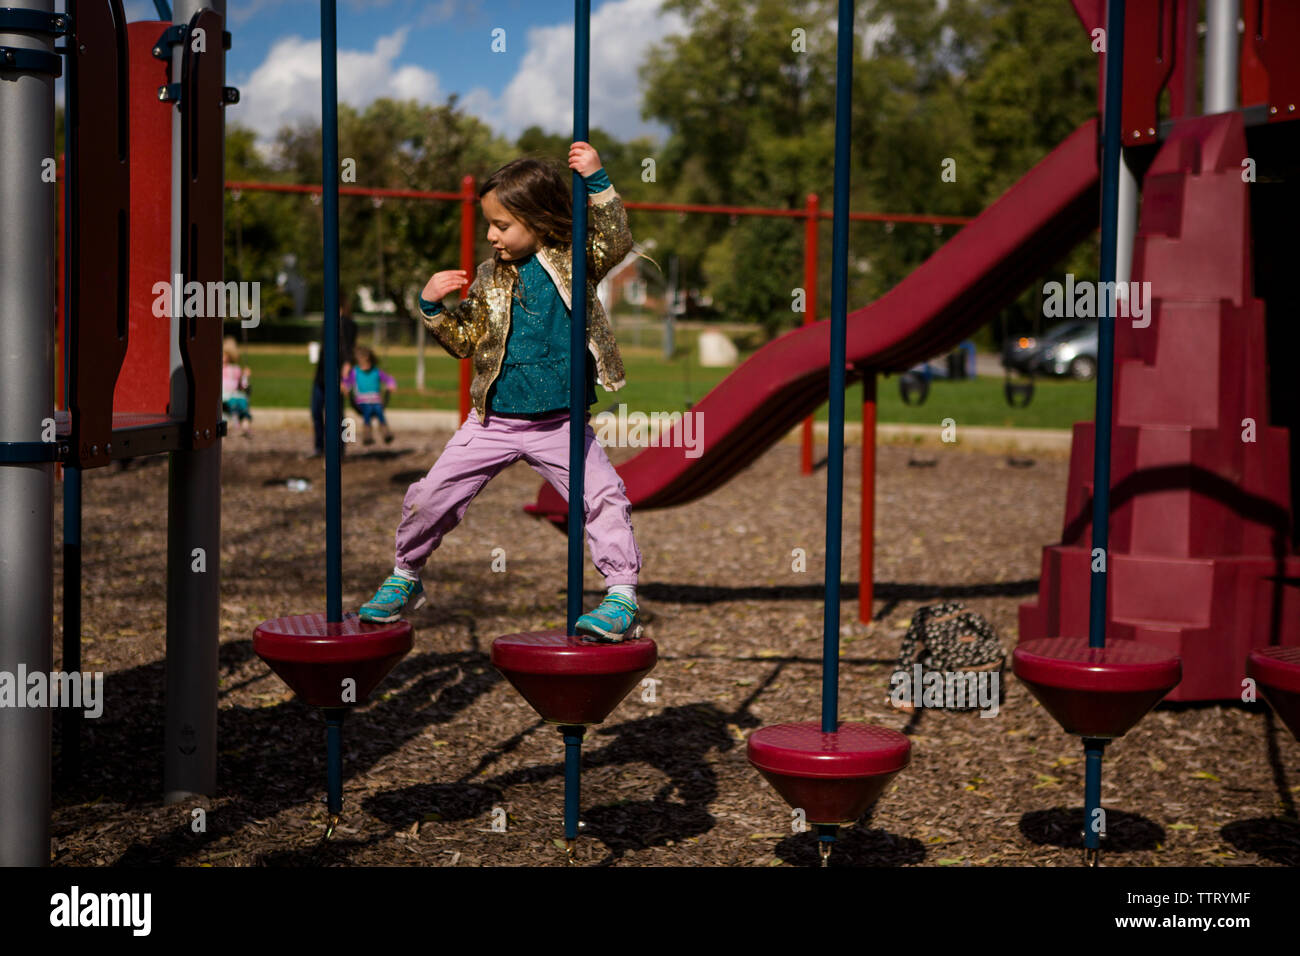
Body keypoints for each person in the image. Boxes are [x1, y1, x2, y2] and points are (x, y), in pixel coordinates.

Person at [359, 142, 643, 642]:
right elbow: (465, 341)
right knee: (431, 496)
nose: (491, 236)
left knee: (603, 498)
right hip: (492, 423)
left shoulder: (575, 260)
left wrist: (597, 178)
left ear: (541, 221)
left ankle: (621, 595)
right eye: (489, 224)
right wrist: (431, 309)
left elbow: (616, 240)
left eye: (502, 225)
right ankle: (405, 576)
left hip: (559, 424)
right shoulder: (490, 279)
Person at [310, 294, 358, 458]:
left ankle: (340, 449)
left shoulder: (348, 324)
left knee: (337, 415)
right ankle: (319, 447)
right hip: (321, 374)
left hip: (338, 375)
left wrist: (347, 366)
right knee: (316, 411)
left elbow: (349, 348)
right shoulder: (327, 321)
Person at [342, 346, 397, 445]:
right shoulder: (355, 372)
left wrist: (391, 385)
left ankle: (386, 433)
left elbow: (389, 379)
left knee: (379, 410)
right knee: (367, 410)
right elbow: (347, 382)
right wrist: (345, 386)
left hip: (376, 400)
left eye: (367, 362)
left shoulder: (376, 371)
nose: (366, 365)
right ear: (358, 362)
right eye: (363, 363)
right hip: (362, 401)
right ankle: (367, 435)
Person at [221, 337, 253, 438]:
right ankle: (236, 424)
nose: (223, 357)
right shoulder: (218, 368)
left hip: (235, 394)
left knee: (243, 402)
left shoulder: (236, 369)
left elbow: (243, 385)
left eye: (225, 355)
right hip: (224, 395)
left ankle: (245, 425)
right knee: (233, 403)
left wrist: (245, 377)